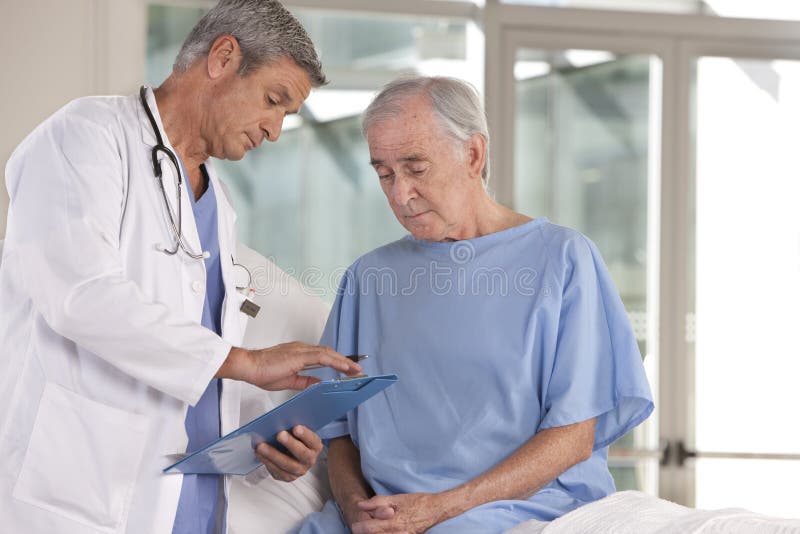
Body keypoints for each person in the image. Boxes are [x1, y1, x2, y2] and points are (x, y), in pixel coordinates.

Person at [0, 1, 362, 533]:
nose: (275, 130)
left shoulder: (220, 206)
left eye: (286, 115)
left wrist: (269, 443)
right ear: (222, 57)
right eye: (273, 100)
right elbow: (80, 298)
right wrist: (246, 360)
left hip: (193, 507)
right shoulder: (86, 137)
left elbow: (195, 364)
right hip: (84, 493)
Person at [295, 76, 654, 534]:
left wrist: (440, 509)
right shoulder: (370, 277)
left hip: (519, 509)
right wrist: (355, 512)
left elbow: (573, 438)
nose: (400, 194)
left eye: (416, 168)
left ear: (473, 154)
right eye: (384, 173)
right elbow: (338, 431)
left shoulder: (563, 260)